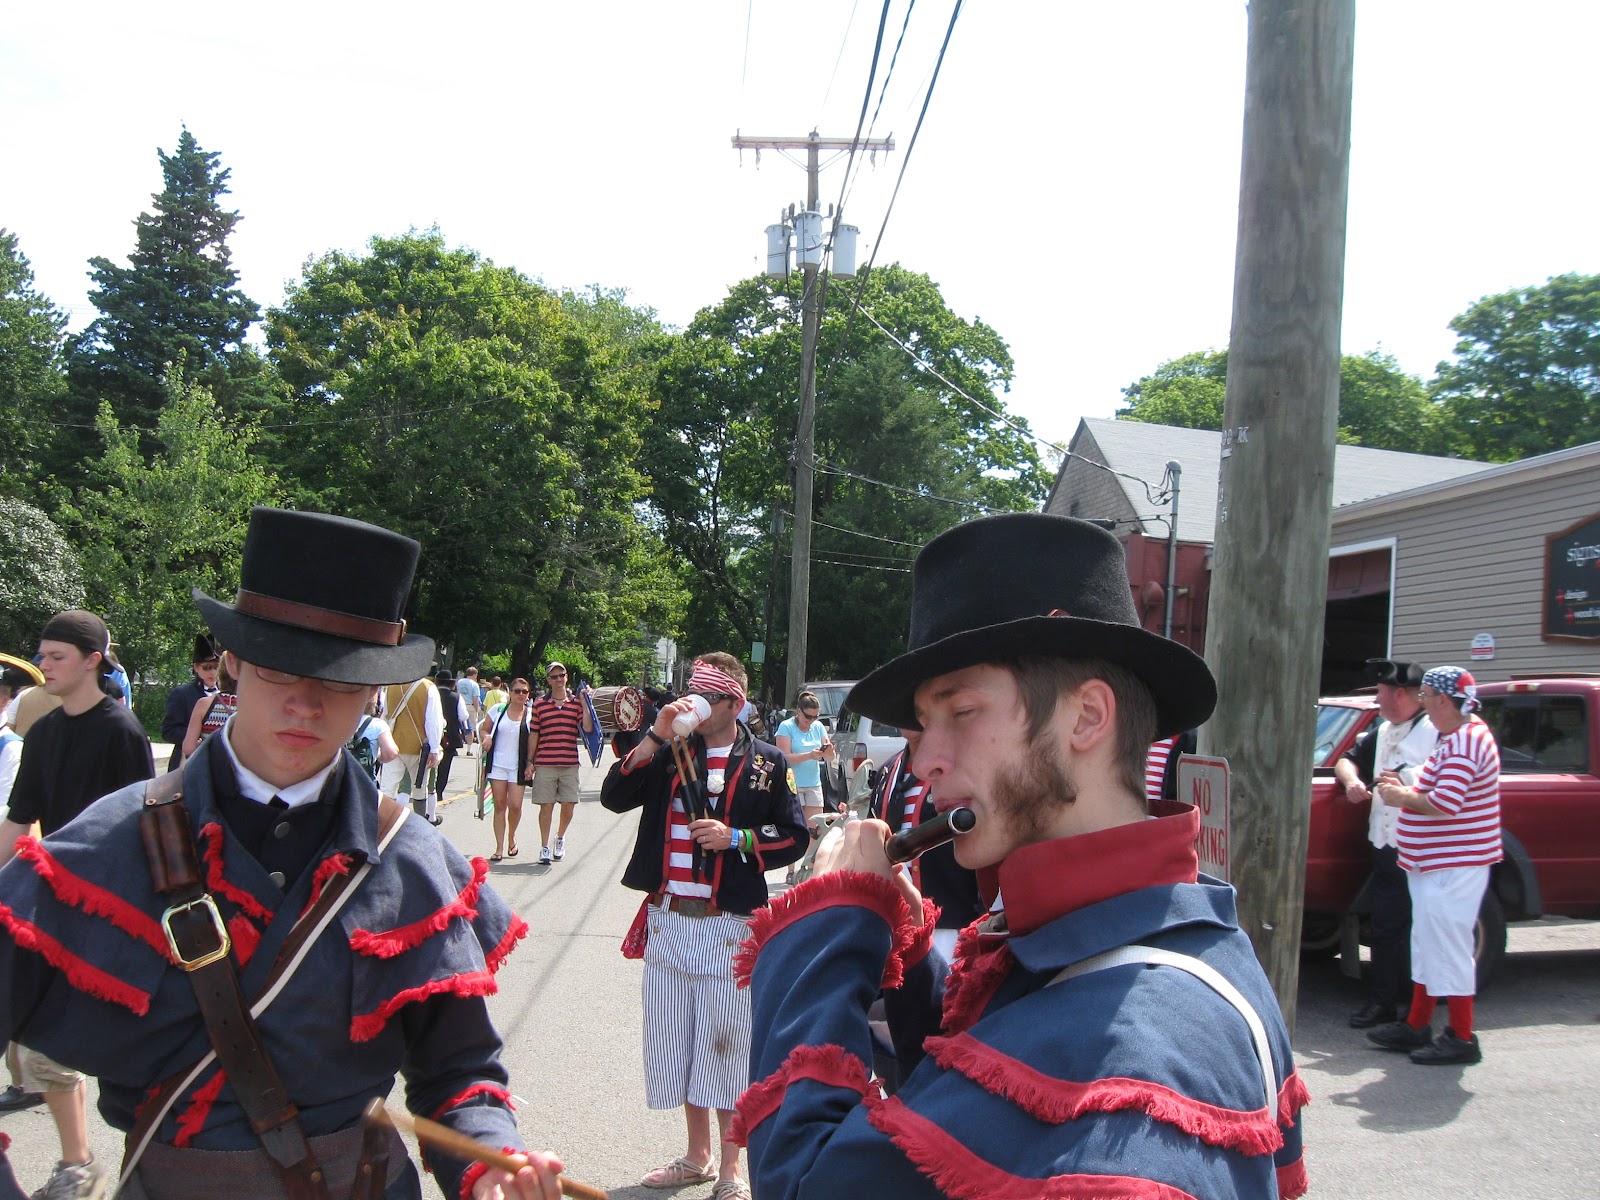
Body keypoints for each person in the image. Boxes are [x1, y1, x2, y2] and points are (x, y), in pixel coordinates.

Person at [731, 513, 1307, 1200]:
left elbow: (807, 1184)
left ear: (1087, 718)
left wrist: (831, 920)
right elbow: (966, 1095)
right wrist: (913, 965)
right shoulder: (1194, 934)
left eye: (961, 711)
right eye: (921, 725)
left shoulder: (1125, 1050)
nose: (924, 763)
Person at [0, 507, 565, 1199]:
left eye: (339, 677)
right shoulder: (106, 844)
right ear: (232, 662)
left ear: (373, 689)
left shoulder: (414, 861)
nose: (304, 702)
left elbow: (460, 1075)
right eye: (278, 669)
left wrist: (490, 1168)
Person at [600, 654, 807, 1200]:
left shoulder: (765, 761)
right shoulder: (670, 754)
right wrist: (654, 734)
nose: (692, 702)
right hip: (670, 919)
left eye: (705, 695)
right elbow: (613, 796)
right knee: (682, 1040)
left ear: (733, 704)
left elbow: (796, 834)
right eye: (690, 691)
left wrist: (738, 838)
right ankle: (696, 1156)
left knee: (729, 1045)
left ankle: (731, 1169)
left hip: (729, 924)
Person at [0, 609, 155, 1198]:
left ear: (92, 661)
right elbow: (19, 822)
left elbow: (149, 825)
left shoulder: (121, 732)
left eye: (55, 657)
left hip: (120, 909)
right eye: (41, 656)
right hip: (59, 905)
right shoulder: (44, 734)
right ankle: (78, 1165)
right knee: (43, 1038)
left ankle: (152, 1163)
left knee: (127, 1047)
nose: (43, 666)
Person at [1369, 665, 1502, 1066]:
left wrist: (1399, 797)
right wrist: (1408, 782)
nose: (1422, 701)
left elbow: (1444, 803)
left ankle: (1461, 1035)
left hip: (1453, 865)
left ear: (1444, 700)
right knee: (1427, 945)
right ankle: (1417, 1024)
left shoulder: (1465, 741)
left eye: (1425, 695)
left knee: (1449, 949)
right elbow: (1434, 778)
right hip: (1436, 862)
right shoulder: (1457, 735)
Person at [1334, 658, 1438, 1030]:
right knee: (1387, 925)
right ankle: (1385, 1002)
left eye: (1380, 692)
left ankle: (1414, 1005)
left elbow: (1448, 780)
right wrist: (1351, 782)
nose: (1377, 699)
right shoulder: (1382, 732)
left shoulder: (1437, 731)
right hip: (1386, 843)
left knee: (1423, 927)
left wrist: (1408, 781)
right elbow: (1347, 760)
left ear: (1399, 693)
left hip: (1424, 847)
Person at [528, 662, 594, 864]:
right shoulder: (539, 704)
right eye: (553, 677)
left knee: (569, 804)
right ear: (548, 680)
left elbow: (588, 728)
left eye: (561, 675)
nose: (558, 680)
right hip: (545, 762)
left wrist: (584, 702)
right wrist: (530, 762)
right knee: (546, 806)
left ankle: (560, 837)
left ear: (566, 677)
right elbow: (534, 734)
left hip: (569, 762)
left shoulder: (575, 703)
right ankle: (544, 846)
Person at [480, 679, 533, 862]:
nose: (520, 695)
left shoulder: (530, 715)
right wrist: (486, 737)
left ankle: (512, 836)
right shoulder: (498, 710)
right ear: (509, 692)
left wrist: (531, 763)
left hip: (518, 767)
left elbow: (534, 742)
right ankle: (499, 847)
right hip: (498, 765)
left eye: (524, 692)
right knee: (500, 805)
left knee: (516, 806)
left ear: (528, 695)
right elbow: (484, 729)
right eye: (517, 691)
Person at [381, 673, 443, 815]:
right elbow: (433, 721)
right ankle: (421, 824)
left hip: (393, 743)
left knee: (387, 789)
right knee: (420, 789)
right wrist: (434, 748)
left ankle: (382, 824)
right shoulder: (428, 687)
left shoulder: (391, 686)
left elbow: (385, 714)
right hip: (419, 747)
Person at [160, 633, 220, 769]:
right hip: (187, 762)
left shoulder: (228, 694)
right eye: (207, 667)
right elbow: (168, 730)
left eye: (216, 667)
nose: (212, 673)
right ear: (196, 667)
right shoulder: (182, 694)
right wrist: (195, 736)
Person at [181, 656, 240, 758]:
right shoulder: (250, 705)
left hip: (211, 766)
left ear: (219, 674)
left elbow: (188, 748)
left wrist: (201, 745)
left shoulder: (204, 704)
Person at [432, 669, 471, 822]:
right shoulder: (456, 697)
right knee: (445, 765)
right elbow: (463, 716)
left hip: (432, 734)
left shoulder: (431, 695)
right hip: (449, 736)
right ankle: (439, 791)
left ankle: (427, 790)